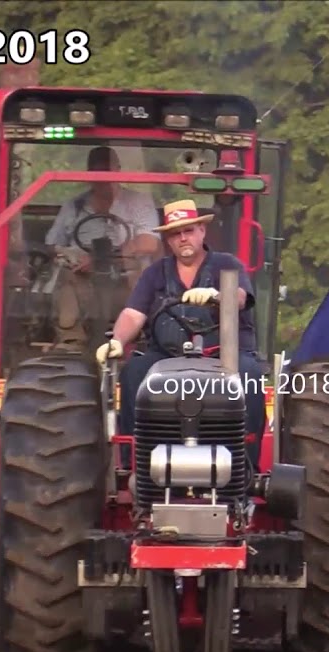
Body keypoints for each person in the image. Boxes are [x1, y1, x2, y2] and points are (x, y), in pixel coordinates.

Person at [96, 199, 267, 472]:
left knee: (250, 376)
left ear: (202, 231)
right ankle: (134, 468)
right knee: (133, 373)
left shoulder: (226, 263)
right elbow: (133, 313)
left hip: (226, 357)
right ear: (168, 240)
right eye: (175, 233)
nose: (183, 238)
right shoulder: (155, 273)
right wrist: (116, 340)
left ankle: (245, 469)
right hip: (166, 357)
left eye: (188, 230)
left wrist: (217, 296)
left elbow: (240, 298)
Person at [44, 146, 161, 347]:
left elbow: (149, 243)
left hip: (128, 280)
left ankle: (140, 338)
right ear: (88, 173)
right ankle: (71, 343)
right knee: (65, 278)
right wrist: (72, 257)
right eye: (97, 171)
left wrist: (104, 259)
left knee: (143, 274)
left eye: (107, 170)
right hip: (84, 281)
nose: (103, 177)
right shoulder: (74, 206)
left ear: (118, 170)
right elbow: (52, 244)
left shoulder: (138, 202)